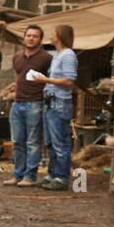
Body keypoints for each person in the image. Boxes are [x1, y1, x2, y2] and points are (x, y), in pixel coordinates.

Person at [3, 24, 50, 188]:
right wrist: (13, 90)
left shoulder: (46, 58)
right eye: (28, 35)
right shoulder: (17, 57)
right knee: (17, 142)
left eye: (35, 36)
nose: (31, 38)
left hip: (35, 103)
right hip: (18, 103)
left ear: (40, 39)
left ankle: (30, 176)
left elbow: (50, 81)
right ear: (24, 38)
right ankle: (18, 174)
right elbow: (18, 77)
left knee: (32, 142)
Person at [40, 23, 78, 191]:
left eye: (53, 33)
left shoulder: (68, 55)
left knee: (60, 142)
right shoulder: (57, 55)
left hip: (60, 102)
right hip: (50, 101)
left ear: (60, 36)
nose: (51, 36)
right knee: (50, 141)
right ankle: (52, 174)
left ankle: (62, 177)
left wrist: (45, 80)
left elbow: (69, 81)